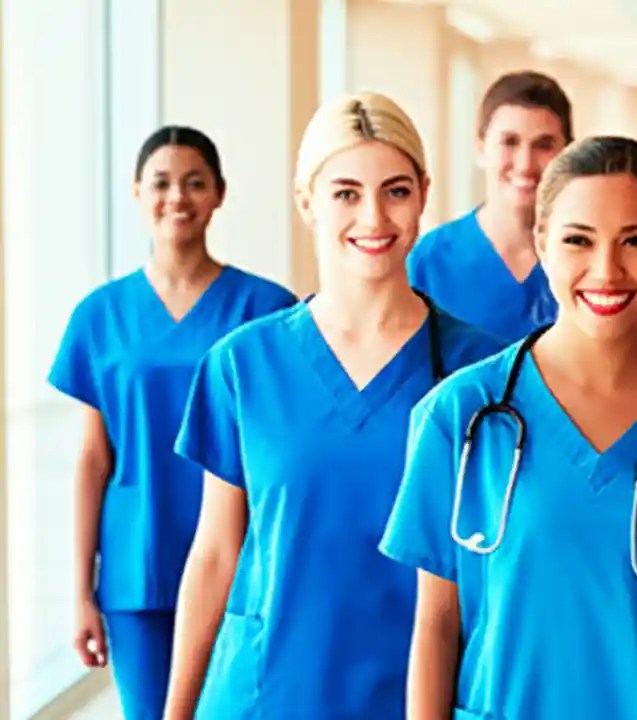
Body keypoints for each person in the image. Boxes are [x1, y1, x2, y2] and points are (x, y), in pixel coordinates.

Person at [380, 136, 637, 719]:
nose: (607, 270)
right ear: (542, 243)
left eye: (635, 241)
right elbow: (437, 624)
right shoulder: (460, 415)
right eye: (579, 240)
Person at [162, 92, 501, 719]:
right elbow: (214, 553)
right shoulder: (243, 365)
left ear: (424, 195)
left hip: (414, 696)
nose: (373, 216)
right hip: (265, 695)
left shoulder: (478, 374)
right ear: (306, 201)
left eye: (396, 191)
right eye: (346, 192)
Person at [47, 126, 296, 719]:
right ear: (137, 193)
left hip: (242, 562)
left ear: (219, 194)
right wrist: (79, 592)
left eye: (194, 183)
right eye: (161, 183)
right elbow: (93, 459)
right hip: (138, 562)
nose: (177, 197)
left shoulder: (266, 310)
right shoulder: (99, 315)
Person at [405, 70, 637, 345]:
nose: (525, 164)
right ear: (480, 147)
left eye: (544, 145)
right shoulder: (429, 263)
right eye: (510, 142)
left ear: (567, 155)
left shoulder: (603, 264)